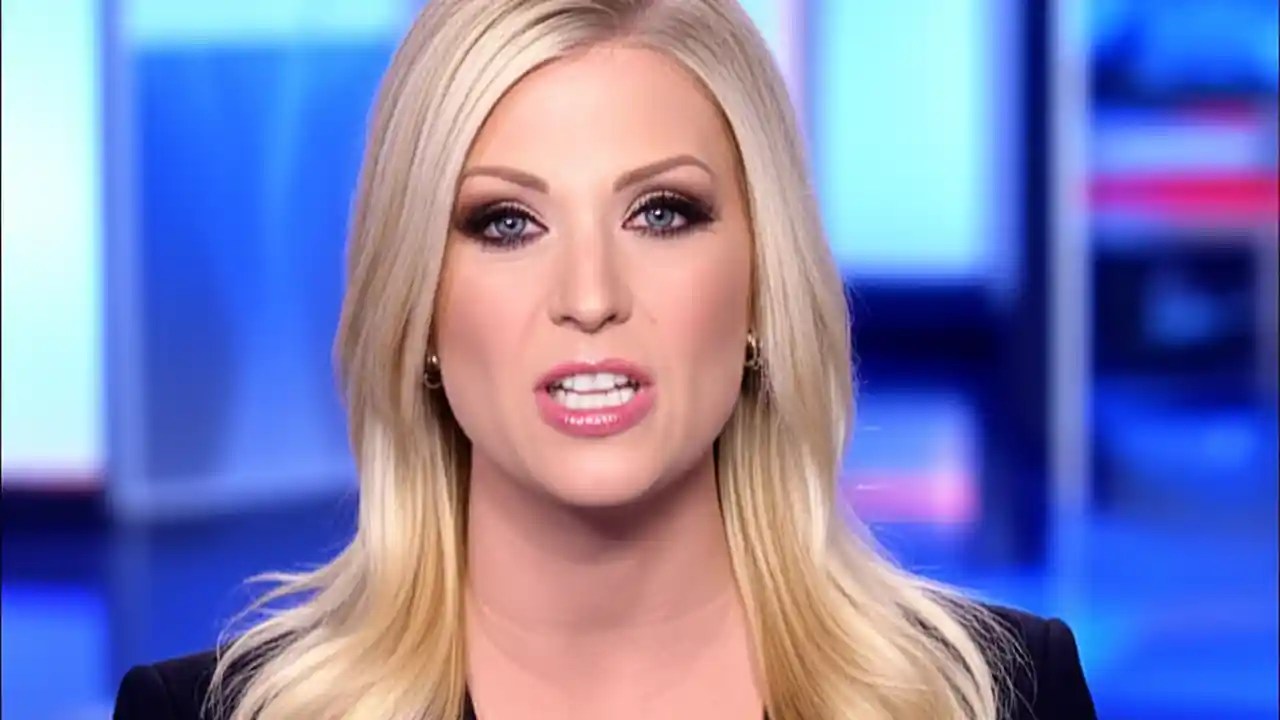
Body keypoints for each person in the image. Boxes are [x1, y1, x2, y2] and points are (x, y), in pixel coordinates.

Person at [113, 1, 1096, 718]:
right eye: (506, 222)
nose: (588, 296)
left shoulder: (997, 693)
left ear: (759, 284)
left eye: (661, 213)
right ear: (415, 308)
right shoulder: (201, 715)